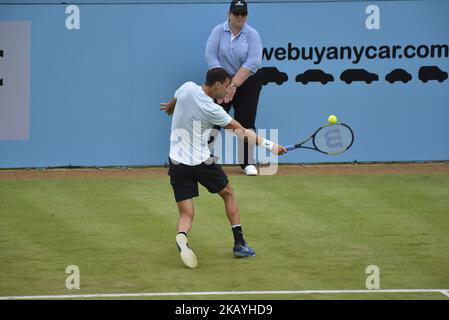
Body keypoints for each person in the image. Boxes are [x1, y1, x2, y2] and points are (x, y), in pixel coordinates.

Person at [160, 68, 286, 268]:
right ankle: (239, 244)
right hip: (201, 162)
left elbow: (173, 103)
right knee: (228, 193)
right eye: (227, 86)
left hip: (176, 163)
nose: (228, 91)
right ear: (217, 84)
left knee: (186, 214)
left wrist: (169, 107)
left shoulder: (187, 88)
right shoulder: (214, 110)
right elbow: (243, 131)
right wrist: (271, 146)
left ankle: (182, 236)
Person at [205, 0, 263, 176]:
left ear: (246, 15)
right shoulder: (218, 31)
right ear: (229, 14)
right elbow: (210, 56)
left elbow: (254, 62)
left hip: (248, 83)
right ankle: (202, 157)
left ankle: (247, 163)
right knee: (213, 119)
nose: (239, 17)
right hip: (220, 82)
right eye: (236, 13)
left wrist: (234, 84)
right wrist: (224, 83)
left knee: (246, 122)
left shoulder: (252, 34)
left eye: (242, 14)